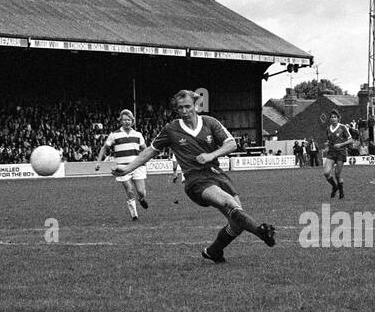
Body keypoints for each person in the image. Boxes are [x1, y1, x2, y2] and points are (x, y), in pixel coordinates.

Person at [112, 90, 276, 262]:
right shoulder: (171, 129)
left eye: (188, 106)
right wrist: (127, 168)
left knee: (237, 223)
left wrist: (211, 155)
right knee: (229, 203)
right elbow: (150, 151)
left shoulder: (210, 122)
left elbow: (231, 144)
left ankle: (214, 251)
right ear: (176, 109)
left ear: (195, 105)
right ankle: (261, 230)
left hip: (217, 174)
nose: (184, 111)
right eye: (180, 108)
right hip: (195, 180)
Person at [96, 110, 149, 220]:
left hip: (137, 166)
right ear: (121, 121)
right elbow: (104, 148)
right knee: (129, 190)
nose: (127, 122)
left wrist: (146, 159)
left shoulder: (138, 135)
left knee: (140, 192)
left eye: (129, 120)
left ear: (132, 121)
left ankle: (141, 199)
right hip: (122, 167)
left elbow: (145, 149)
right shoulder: (114, 135)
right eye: (124, 120)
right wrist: (98, 162)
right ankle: (134, 214)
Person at [322, 111, 353, 198]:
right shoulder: (328, 129)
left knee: (337, 175)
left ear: (338, 118)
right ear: (330, 119)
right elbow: (328, 141)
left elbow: (351, 140)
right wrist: (327, 147)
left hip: (341, 153)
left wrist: (341, 144)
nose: (333, 118)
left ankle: (341, 192)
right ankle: (335, 187)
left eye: (335, 117)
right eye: (332, 117)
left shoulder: (343, 127)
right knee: (326, 172)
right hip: (331, 153)